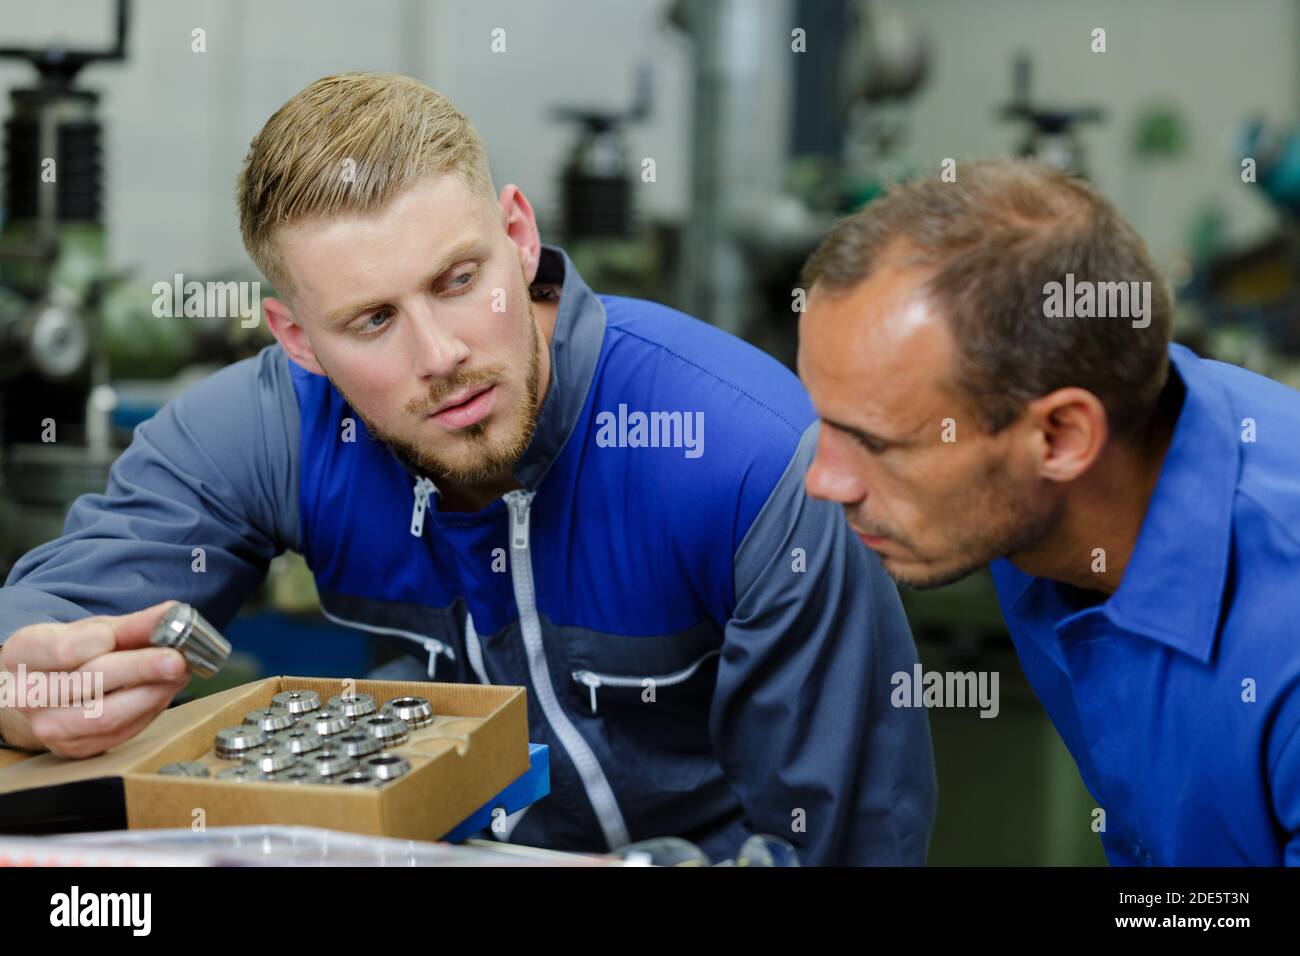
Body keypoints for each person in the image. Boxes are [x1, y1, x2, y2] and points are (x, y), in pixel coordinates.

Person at [0, 72, 936, 865]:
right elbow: (47, 627)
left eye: (458, 281)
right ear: (298, 339)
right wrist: (24, 692)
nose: (440, 352)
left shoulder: (748, 458)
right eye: (372, 321)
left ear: (519, 234)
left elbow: (843, 840)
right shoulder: (266, 433)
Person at [798, 158, 1300, 865]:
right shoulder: (1040, 514)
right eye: (825, 423)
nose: (823, 481)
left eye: (876, 442)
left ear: (1063, 437)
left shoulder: (1282, 636)